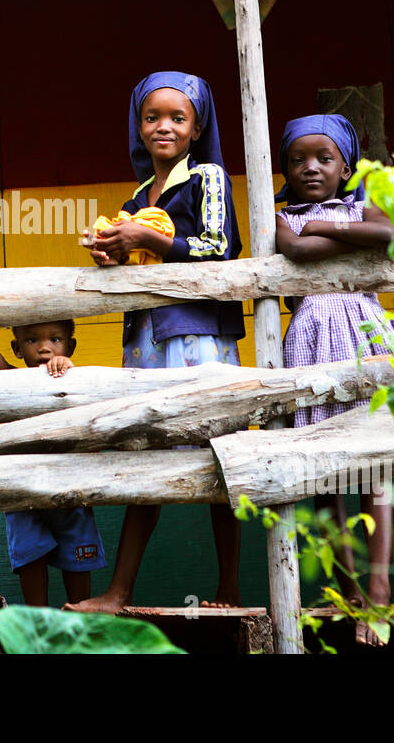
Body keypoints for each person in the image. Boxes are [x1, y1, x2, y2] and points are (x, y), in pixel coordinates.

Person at [67, 70, 245, 614]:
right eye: (151, 117)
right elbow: (142, 256)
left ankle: (229, 590)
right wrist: (114, 252)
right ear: (138, 127)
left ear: (196, 128)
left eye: (177, 118)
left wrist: (148, 237)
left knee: (221, 456)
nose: (163, 127)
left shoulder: (209, 178)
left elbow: (218, 247)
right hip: (146, 338)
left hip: (198, 336)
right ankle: (119, 594)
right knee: (148, 456)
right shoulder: (141, 194)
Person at [273, 113, 394, 645]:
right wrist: (343, 238)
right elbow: (300, 252)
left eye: (324, 158)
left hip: (363, 339)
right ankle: (347, 589)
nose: (310, 168)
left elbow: (384, 231)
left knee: (373, 464)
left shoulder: (361, 204)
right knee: (323, 470)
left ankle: (379, 590)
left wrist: (326, 225)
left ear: (346, 166)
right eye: (297, 159)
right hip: (310, 344)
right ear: (284, 168)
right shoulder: (282, 216)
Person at [0, 319, 106, 605]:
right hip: (22, 491)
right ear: (17, 349)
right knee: (31, 556)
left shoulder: (78, 381)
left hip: (71, 489)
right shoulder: (11, 378)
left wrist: (68, 372)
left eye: (55, 340)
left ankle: (79, 626)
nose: (45, 348)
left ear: (70, 346)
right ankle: (38, 628)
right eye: (32, 341)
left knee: (77, 559)